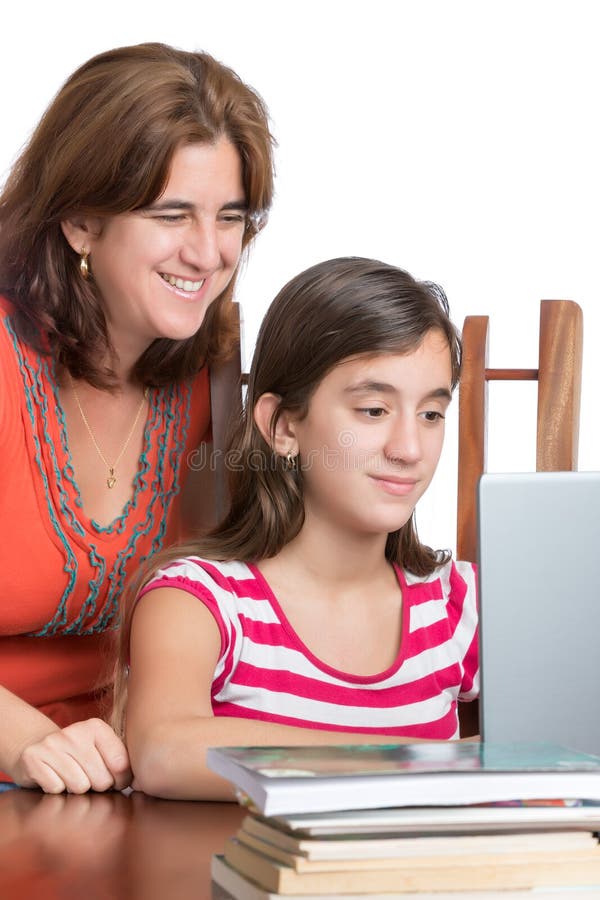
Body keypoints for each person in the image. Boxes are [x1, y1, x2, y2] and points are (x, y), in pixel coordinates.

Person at [0, 42, 275, 793]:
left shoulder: (209, 372)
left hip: (125, 787)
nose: (209, 252)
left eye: (230, 217)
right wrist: (25, 741)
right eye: (172, 214)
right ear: (82, 223)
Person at [115, 256, 480, 802]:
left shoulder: (459, 603)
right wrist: (404, 765)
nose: (409, 450)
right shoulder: (201, 600)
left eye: (431, 414)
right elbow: (165, 752)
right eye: (374, 410)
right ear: (283, 426)